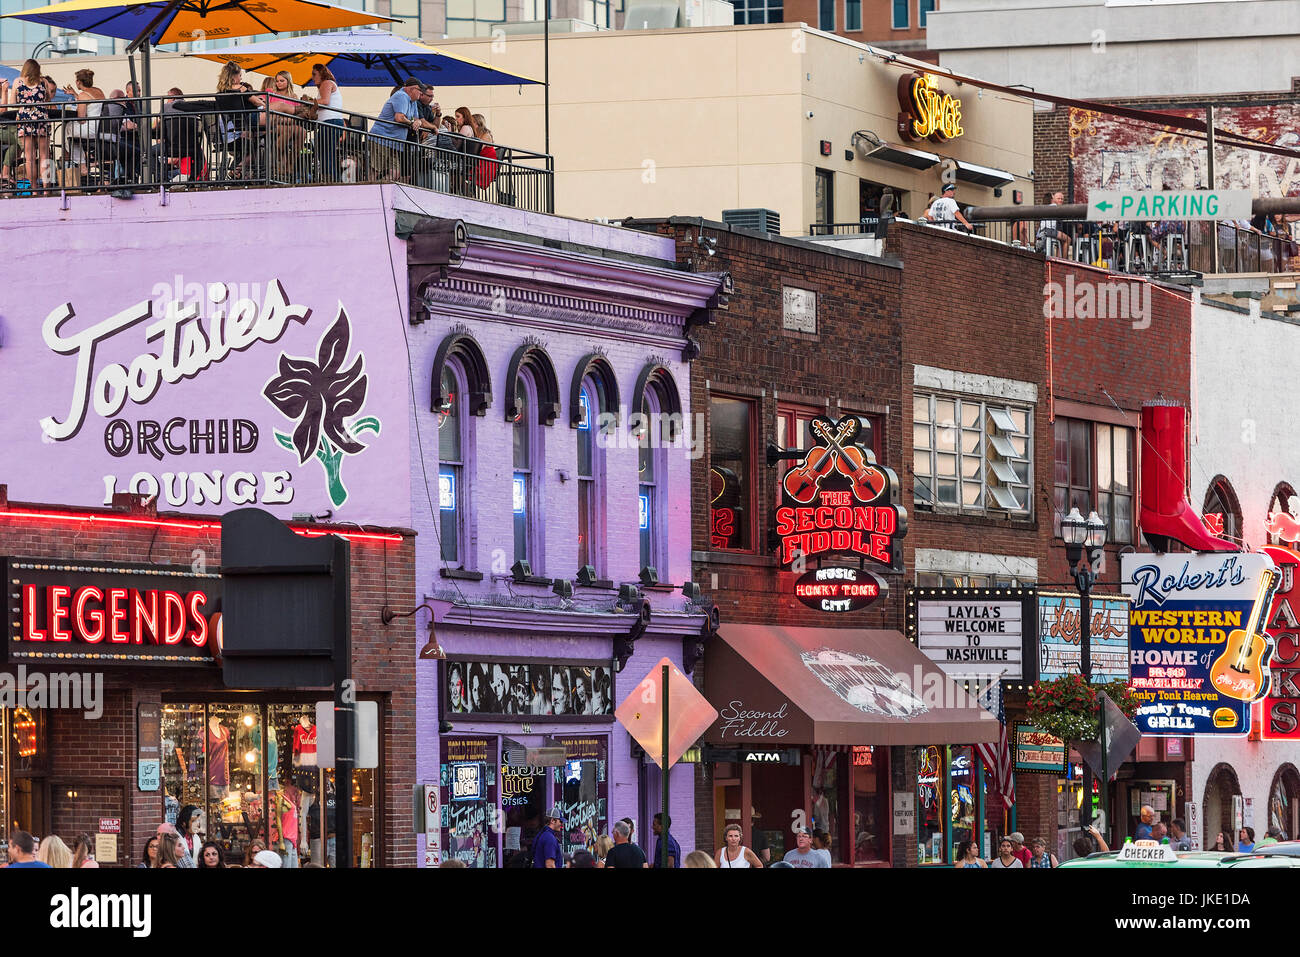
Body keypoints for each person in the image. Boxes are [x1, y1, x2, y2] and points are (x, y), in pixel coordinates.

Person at [368, 77, 423, 182]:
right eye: (420, 91)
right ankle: (368, 191)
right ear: (412, 89)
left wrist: (418, 122)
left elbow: (417, 119)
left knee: (395, 172)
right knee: (375, 170)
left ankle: (378, 190)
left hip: (394, 142)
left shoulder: (413, 101)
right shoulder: (401, 96)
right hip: (382, 138)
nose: (421, 94)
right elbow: (399, 117)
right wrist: (412, 123)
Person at [10, 60, 51, 190]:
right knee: (45, 156)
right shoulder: (43, 81)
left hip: (24, 120)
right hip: (41, 119)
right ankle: (46, 188)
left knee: (29, 157)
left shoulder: (18, 81)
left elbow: (12, 103)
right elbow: (48, 99)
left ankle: (33, 189)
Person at [63, 68, 107, 177]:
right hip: (100, 128)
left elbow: (81, 119)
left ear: (78, 82)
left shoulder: (83, 95)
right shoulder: (98, 91)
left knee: (68, 129)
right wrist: (75, 95)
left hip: (90, 129)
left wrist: (77, 100)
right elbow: (90, 105)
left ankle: (82, 166)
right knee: (72, 133)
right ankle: (82, 164)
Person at [305, 62, 344, 181]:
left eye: (314, 74)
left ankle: (331, 178)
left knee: (326, 153)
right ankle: (332, 178)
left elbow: (325, 101)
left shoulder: (326, 83)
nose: (312, 77)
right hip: (329, 122)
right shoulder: (327, 84)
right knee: (325, 153)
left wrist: (308, 102)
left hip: (330, 122)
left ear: (321, 73)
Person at [1036, 190, 1071, 255]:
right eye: (1057, 198)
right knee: (1068, 239)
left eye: (1062, 199)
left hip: (1043, 231)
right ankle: (1063, 260)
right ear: (1052, 199)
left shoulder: (1045, 207)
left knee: (1061, 240)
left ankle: (1058, 259)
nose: (1060, 200)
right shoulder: (1054, 206)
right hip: (1049, 231)